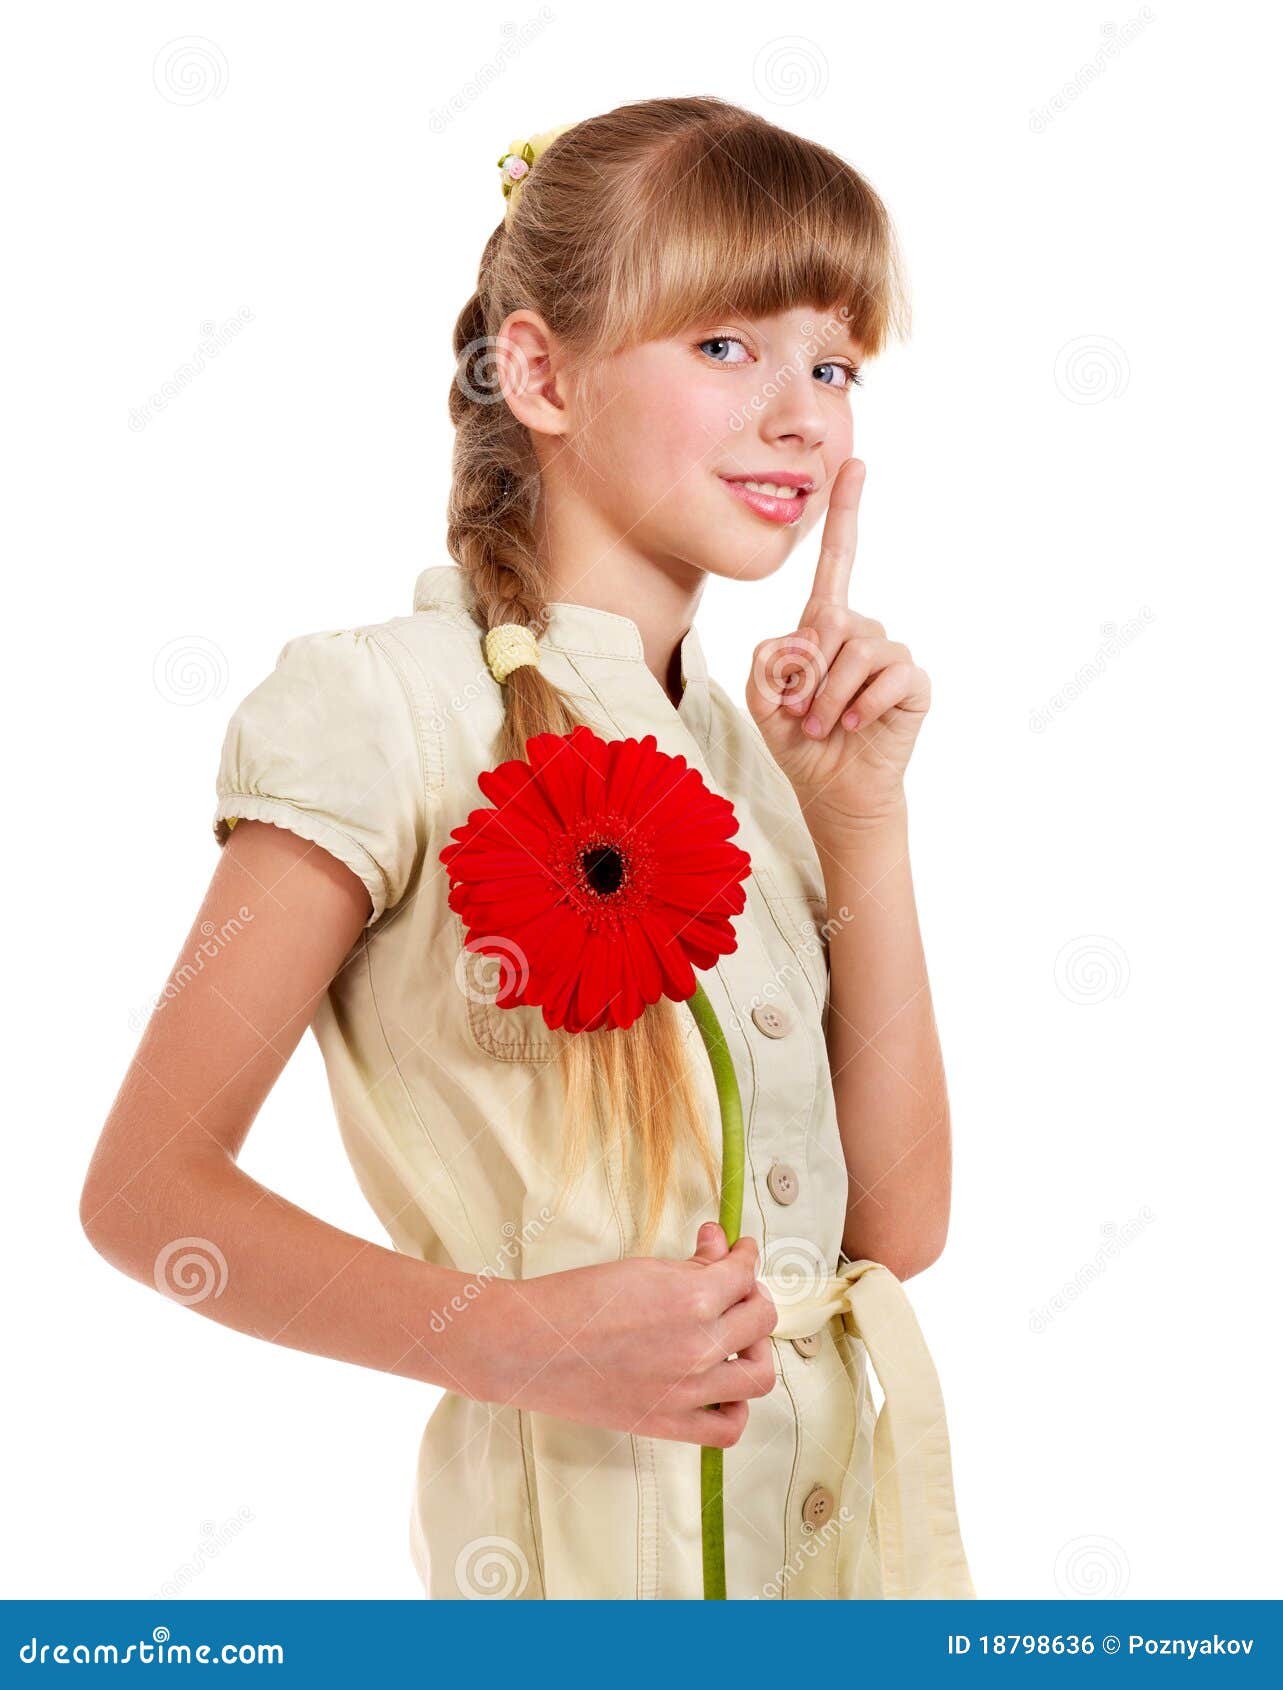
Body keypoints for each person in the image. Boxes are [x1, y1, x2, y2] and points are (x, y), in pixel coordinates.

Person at [80, 95, 974, 1600]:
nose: (805, 417)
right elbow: (145, 1196)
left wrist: (862, 818)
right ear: (541, 373)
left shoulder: (764, 756)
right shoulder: (384, 710)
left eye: (833, 364)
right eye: (726, 345)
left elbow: (897, 1228)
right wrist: (516, 1338)